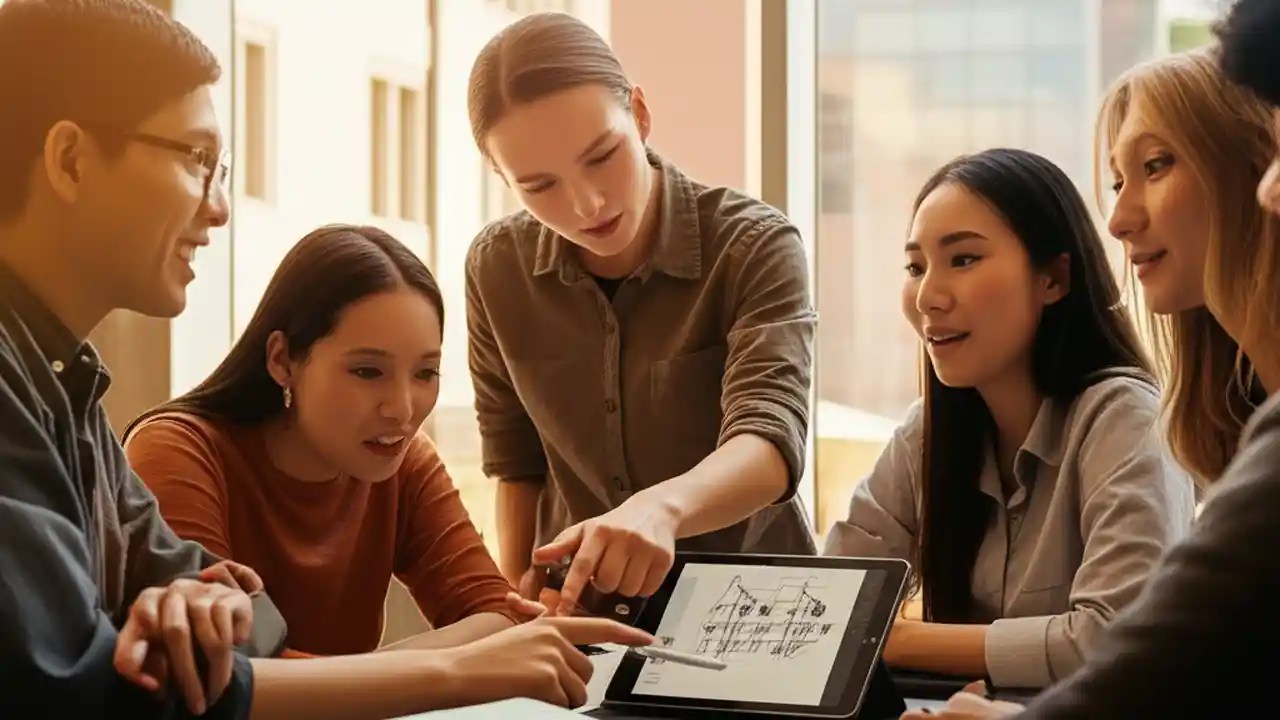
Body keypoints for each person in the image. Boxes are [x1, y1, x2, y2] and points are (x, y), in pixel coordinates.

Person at [0, 2, 649, 719]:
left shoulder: (66, 386)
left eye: (426, 371)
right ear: (70, 160)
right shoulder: (63, 403)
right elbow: (73, 689)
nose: (220, 208)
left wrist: (204, 606)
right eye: (196, 160)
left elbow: (250, 631)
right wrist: (453, 671)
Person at [901, 19, 1280, 720]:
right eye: (1117, 180)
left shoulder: (1126, 415)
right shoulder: (1222, 418)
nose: (1119, 218)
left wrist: (906, 643)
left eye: (1156, 165)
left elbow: (1135, 657)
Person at [464, 11, 817, 615]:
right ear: (502, 177)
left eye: (602, 155)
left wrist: (659, 510)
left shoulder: (753, 245)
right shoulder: (497, 267)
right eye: (540, 186)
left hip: (756, 610)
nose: (586, 204)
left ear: (640, 114)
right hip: (587, 613)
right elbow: (514, 459)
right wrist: (516, 596)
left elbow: (769, 440)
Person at [823, 148, 1193, 690]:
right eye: (915, 268)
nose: (927, 297)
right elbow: (831, 605)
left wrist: (899, 640)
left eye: (963, 260)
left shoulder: (1125, 418)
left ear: (1054, 279)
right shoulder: (926, 433)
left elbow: (1114, 639)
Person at [122, 224, 533, 657]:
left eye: (425, 373)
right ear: (282, 360)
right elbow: (216, 660)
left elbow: (499, 617)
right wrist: (428, 672)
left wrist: (385, 676)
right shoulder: (177, 450)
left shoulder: (403, 460)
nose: (402, 409)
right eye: (368, 372)